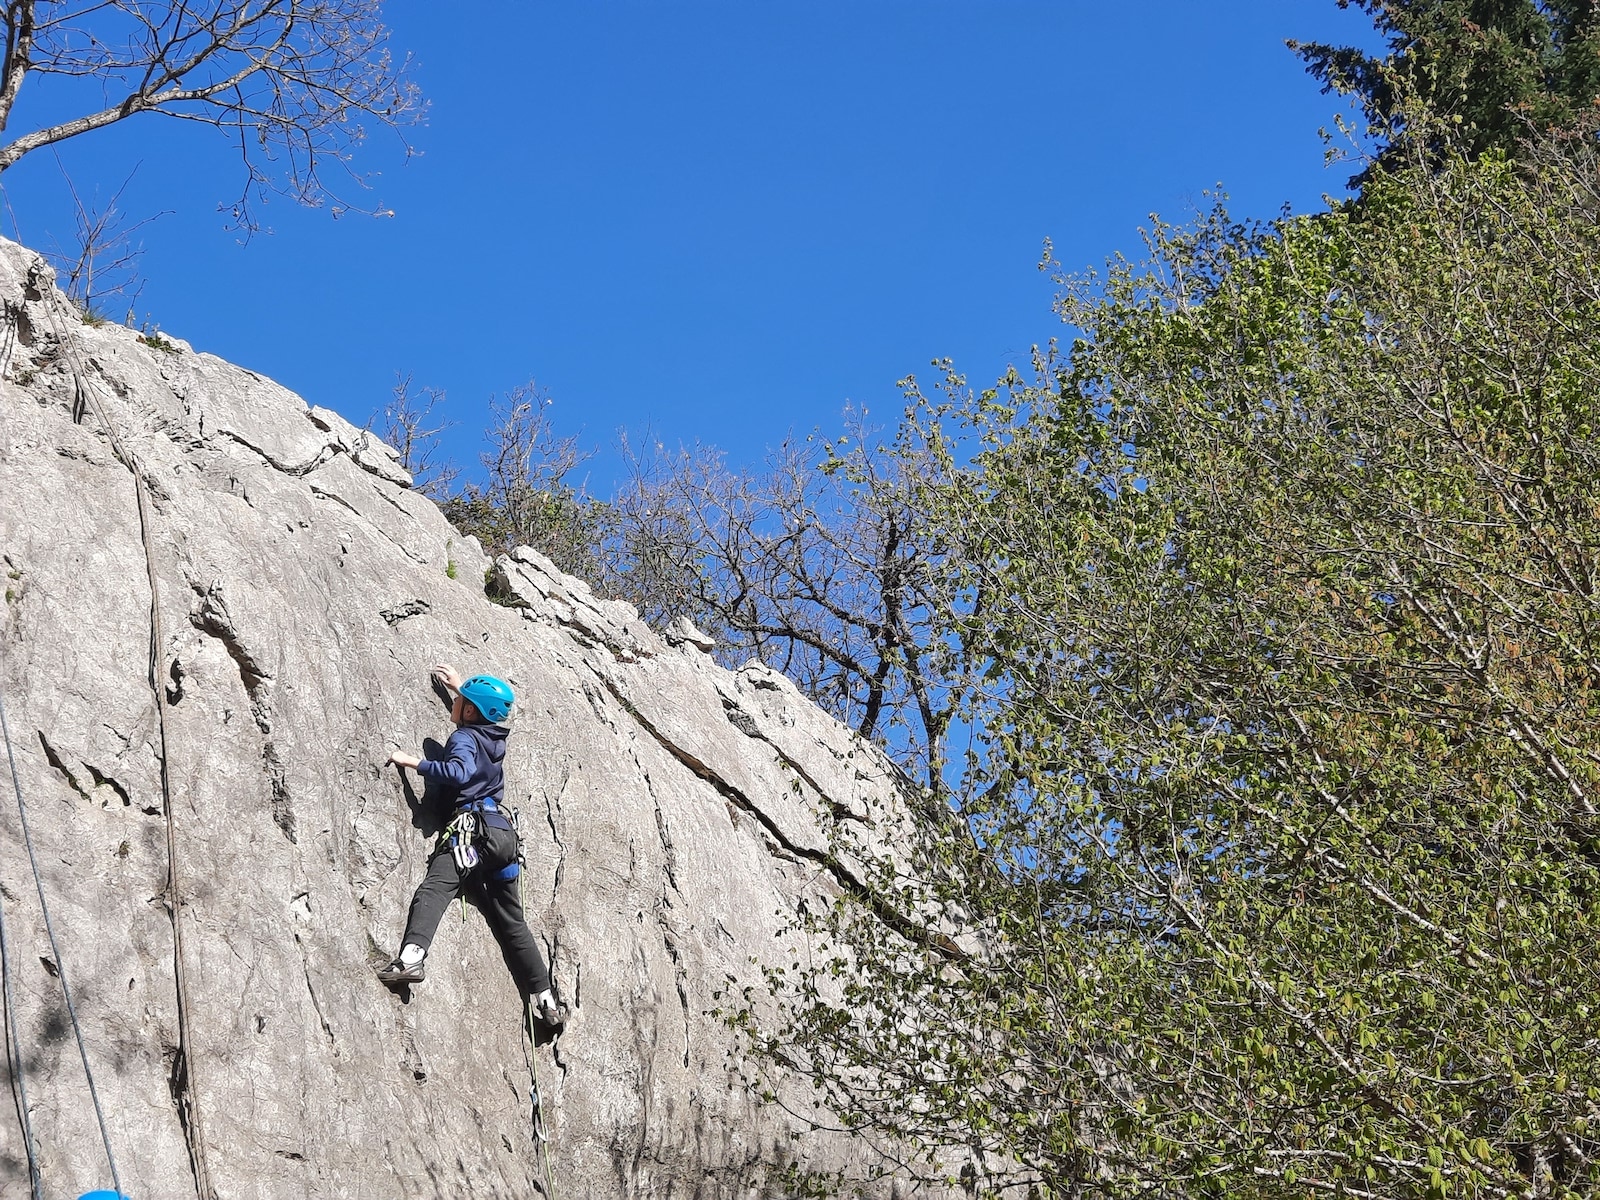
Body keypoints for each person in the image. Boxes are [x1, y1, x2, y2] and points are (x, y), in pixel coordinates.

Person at [379, 664, 564, 1031]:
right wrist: (460, 686)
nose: (458, 702)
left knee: (436, 888)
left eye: (462, 701)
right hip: (502, 837)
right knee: (513, 924)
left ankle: (411, 958)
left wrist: (413, 761)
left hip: (470, 833)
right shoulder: (494, 741)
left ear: (468, 711)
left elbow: (460, 772)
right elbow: (481, 722)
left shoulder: (463, 738)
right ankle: (546, 999)